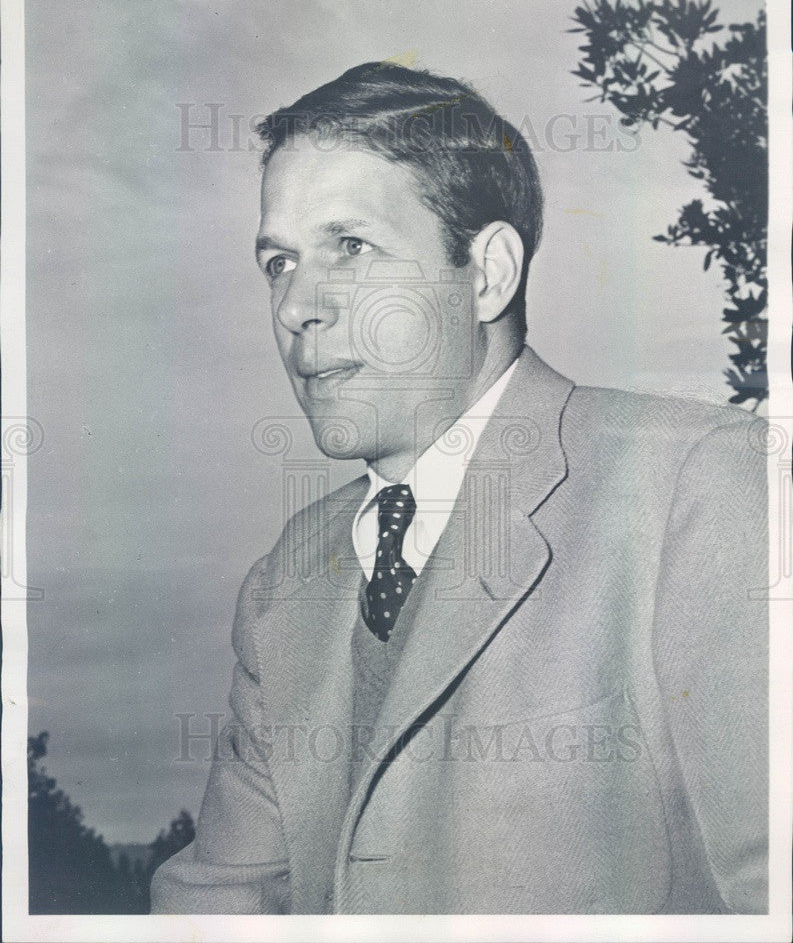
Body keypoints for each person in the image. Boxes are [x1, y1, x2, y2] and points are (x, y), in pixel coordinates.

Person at [151, 62, 767, 915]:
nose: (295, 305)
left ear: (485, 274)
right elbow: (218, 901)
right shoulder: (284, 580)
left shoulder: (698, 485)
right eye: (278, 260)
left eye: (350, 246)